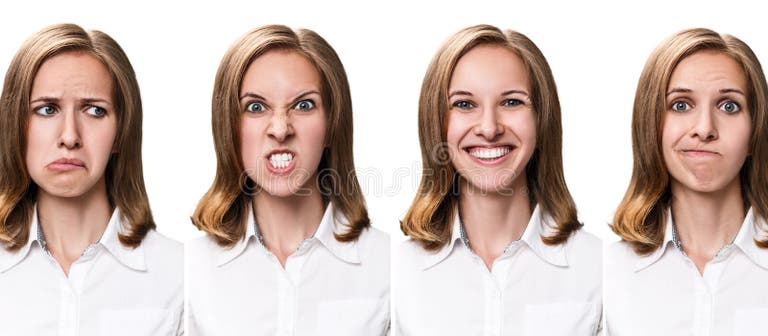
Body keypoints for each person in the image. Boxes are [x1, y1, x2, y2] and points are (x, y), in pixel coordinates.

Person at [394, 24, 601, 335]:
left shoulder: (599, 269)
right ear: (436, 122)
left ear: (541, 119)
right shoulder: (396, 274)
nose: (489, 128)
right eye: (464, 104)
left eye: (512, 102)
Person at [187, 24, 390, 335]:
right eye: (256, 107)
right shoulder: (190, 271)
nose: (280, 129)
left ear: (332, 124)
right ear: (229, 127)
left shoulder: (388, 267)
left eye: (303, 105)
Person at [0, 23, 183, 335]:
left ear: (120, 133)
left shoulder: (181, 275)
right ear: (16, 125)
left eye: (94, 111)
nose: (69, 137)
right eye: (47, 109)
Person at [606, 28, 768, 335]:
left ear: (755, 131)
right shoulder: (607, 272)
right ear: (651, 126)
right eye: (681, 105)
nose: (705, 129)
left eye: (729, 106)